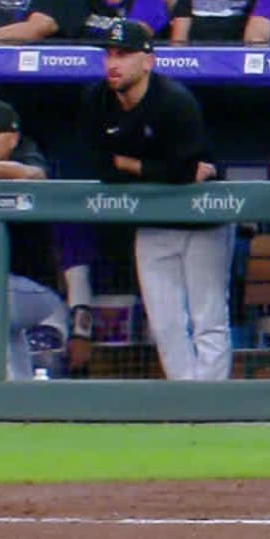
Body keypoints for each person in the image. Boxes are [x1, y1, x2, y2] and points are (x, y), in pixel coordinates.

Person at [76, 20, 231, 382]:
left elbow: (187, 170)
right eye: (109, 55)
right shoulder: (95, 101)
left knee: (207, 318)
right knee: (165, 323)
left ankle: (210, 403)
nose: (113, 63)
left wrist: (128, 164)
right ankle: (184, 399)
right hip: (151, 221)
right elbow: (97, 164)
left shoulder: (174, 101)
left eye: (124, 55)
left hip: (201, 219)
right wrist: (153, 169)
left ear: (147, 61)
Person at [0, 99, 70, 381]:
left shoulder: (27, 152)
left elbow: (34, 174)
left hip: (33, 288)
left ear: (12, 137)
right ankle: (21, 397)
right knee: (6, 334)